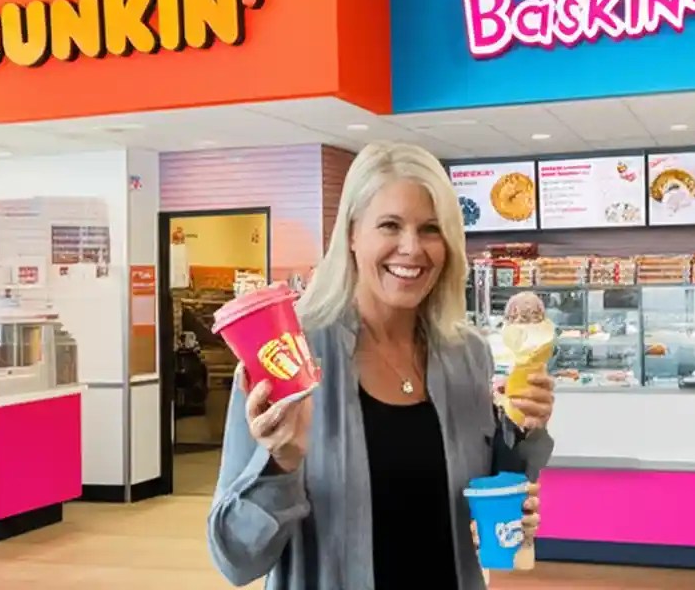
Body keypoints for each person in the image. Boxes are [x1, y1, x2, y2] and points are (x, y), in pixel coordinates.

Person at [207, 141, 555, 589]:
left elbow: (493, 494)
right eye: (390, 225)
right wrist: (282, 462)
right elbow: (235, 558)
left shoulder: (466, 353)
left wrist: (523, 436)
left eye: (431, 229)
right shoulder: (286, 353)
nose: (412, 248)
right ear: (352, 234)